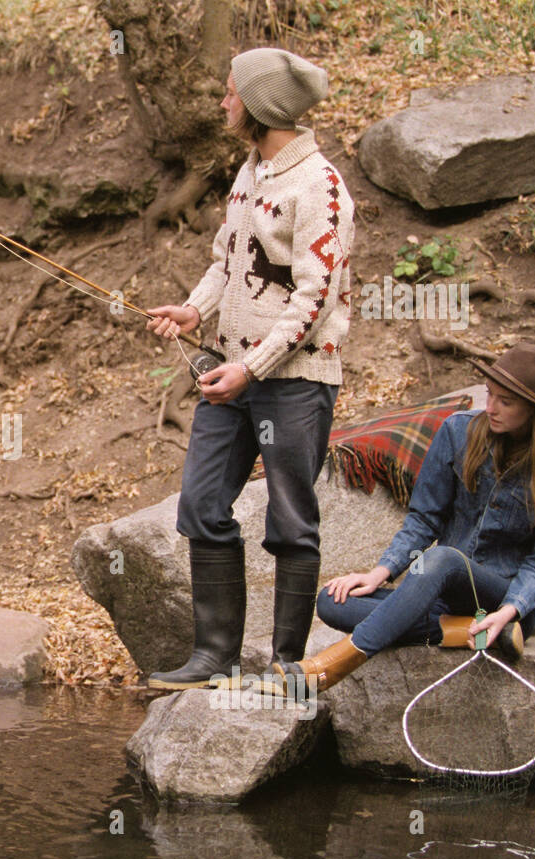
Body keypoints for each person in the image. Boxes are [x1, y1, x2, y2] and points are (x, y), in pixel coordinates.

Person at [143, 48, 354, 689]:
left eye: (231, 92)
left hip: (294, 381)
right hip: (232, 373)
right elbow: (225, 262)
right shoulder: (250, 173)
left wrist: (253, 369)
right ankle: (215, 658)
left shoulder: (318, 186)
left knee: (291, 521)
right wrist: (192, 309)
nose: (223, 102)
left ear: (261, 105)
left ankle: (287, 666)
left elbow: (314, 300)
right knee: (202, 503)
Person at [274, 344, 535, 695]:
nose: (491, 408)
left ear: (533, 411)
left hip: (502, 600)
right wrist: (379, 573)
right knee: (333, 601)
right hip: (442, 597)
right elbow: (424, 519)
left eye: (506, 403)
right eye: (489, 395)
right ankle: (461, 629)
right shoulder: (457, 432)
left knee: (443, 558)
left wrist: (511, 611)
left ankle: (331, 665)